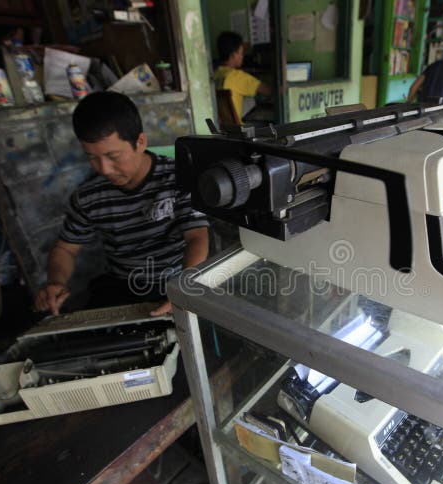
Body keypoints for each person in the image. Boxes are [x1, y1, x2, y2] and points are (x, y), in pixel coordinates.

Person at [35, 91, 209, 317]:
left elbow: (196, 237)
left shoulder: (179, 177)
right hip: (122, 285)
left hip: (178, 278)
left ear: (140, 142)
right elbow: (65, 249)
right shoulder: (88, 196)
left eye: (113, 156)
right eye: (92, 157)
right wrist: (55, 282)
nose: (104, 169)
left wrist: (183, 290)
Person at [214, 31, 272, 119]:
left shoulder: (216, 74)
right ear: (233, 55)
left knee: (250, 101)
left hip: (222, 127)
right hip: (238, 130)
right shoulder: (236, 76)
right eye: (241, 53)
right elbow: (268, 91)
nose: (242, 57)